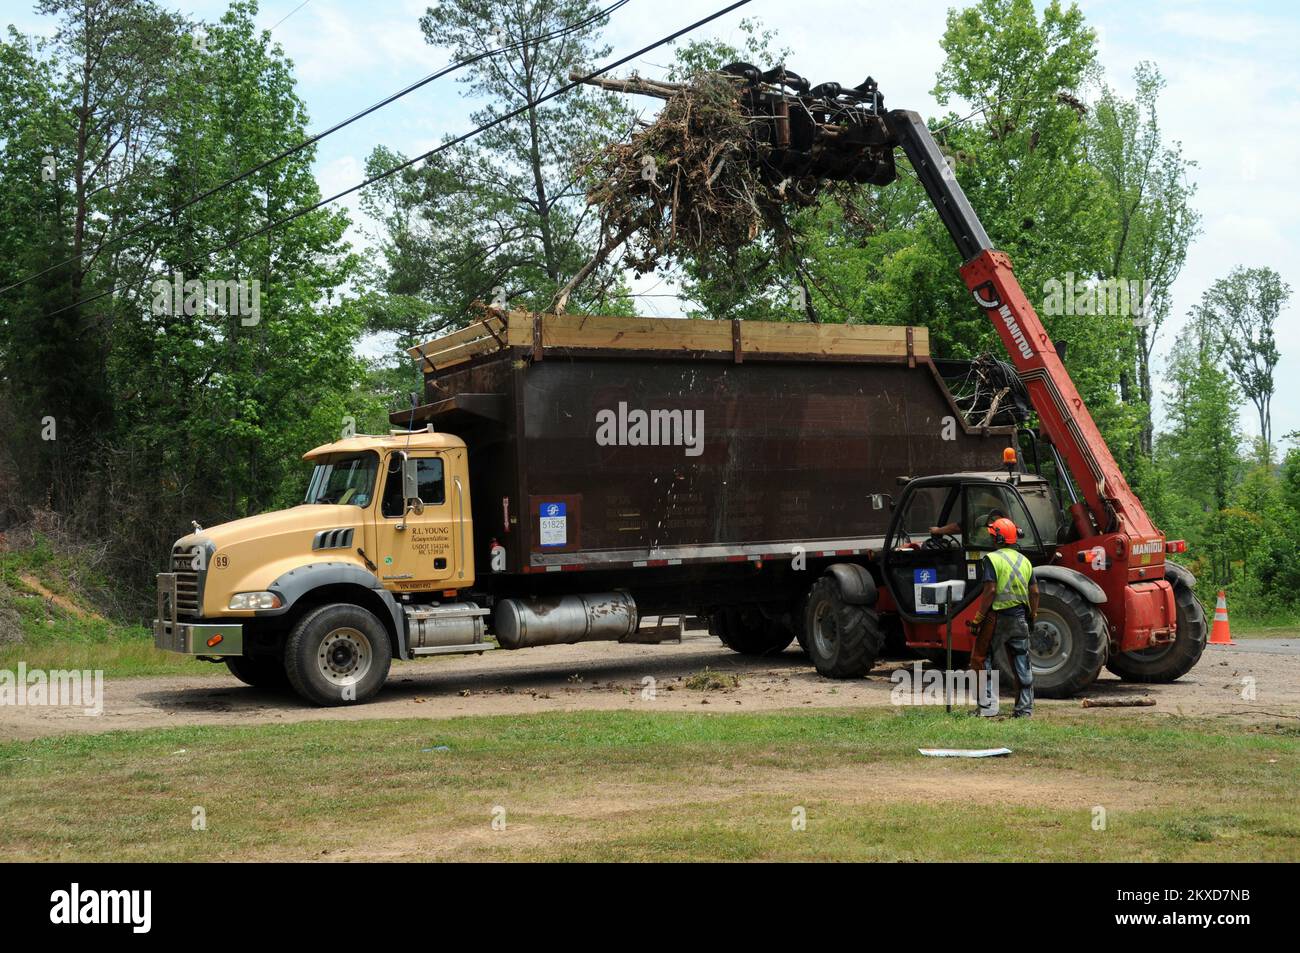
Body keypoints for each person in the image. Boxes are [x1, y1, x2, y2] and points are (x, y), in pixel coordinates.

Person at [967, 516, 1038, 718]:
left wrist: (979, 617)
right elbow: (1035, 592)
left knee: (981, 659)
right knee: (1021, 662)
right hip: (1020, 618)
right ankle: (1024, 710)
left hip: (996, 618)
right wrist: (1032, 615)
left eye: (992, 536)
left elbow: (990, 590)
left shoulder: (992, 559)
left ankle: (988, 708)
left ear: (998, 539)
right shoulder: (1025, 561)